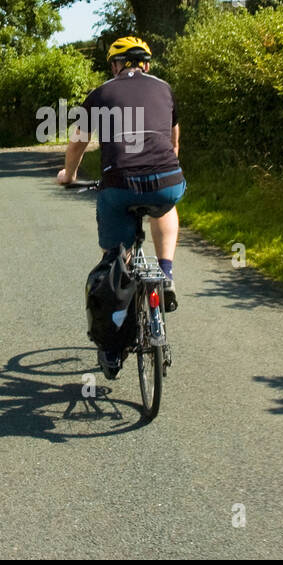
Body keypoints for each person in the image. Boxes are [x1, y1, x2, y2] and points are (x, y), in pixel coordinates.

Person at [56, 36, 184, 374]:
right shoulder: (165, 89)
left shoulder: (101, 93)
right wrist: (162, 174)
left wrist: (68, 175)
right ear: (146, 63)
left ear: (116, 64)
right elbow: (173, 142)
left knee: (115, 261)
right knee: (166, 206)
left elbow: (78, 143)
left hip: (119, 185)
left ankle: (112, 350)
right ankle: (166, 273)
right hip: (166, 178)